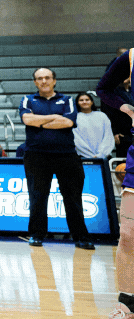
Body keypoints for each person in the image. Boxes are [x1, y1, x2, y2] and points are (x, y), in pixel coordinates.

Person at [20, 67, 92, 249]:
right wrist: (54, 117)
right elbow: (27, 120)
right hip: (36, 156)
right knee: (37, 197)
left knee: (73, 197)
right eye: (39, 78)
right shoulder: (28, 99)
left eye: (47, 78)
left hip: (66, 155)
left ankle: (81, 237)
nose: (44, 81)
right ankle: (36, 235)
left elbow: (68, 122)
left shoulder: (67, 100)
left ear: (54, 80)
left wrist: (40, 121)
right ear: (35, 82)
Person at [98, 50, 134, 319]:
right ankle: (126, 303)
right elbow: (104, 88)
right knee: (129, 236)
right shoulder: (132, 56)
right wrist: (126, 107)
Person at [74, 92, 114, 160]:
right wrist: (88, 155)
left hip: (103, 157)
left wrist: (101, 154)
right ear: (77, 103)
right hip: (82, 157)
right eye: (81, 100)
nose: (84, 102)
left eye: (87, 100)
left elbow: (108, 136)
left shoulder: (102, 116)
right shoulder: (74, 118)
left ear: (92, 102)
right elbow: (76, 139)